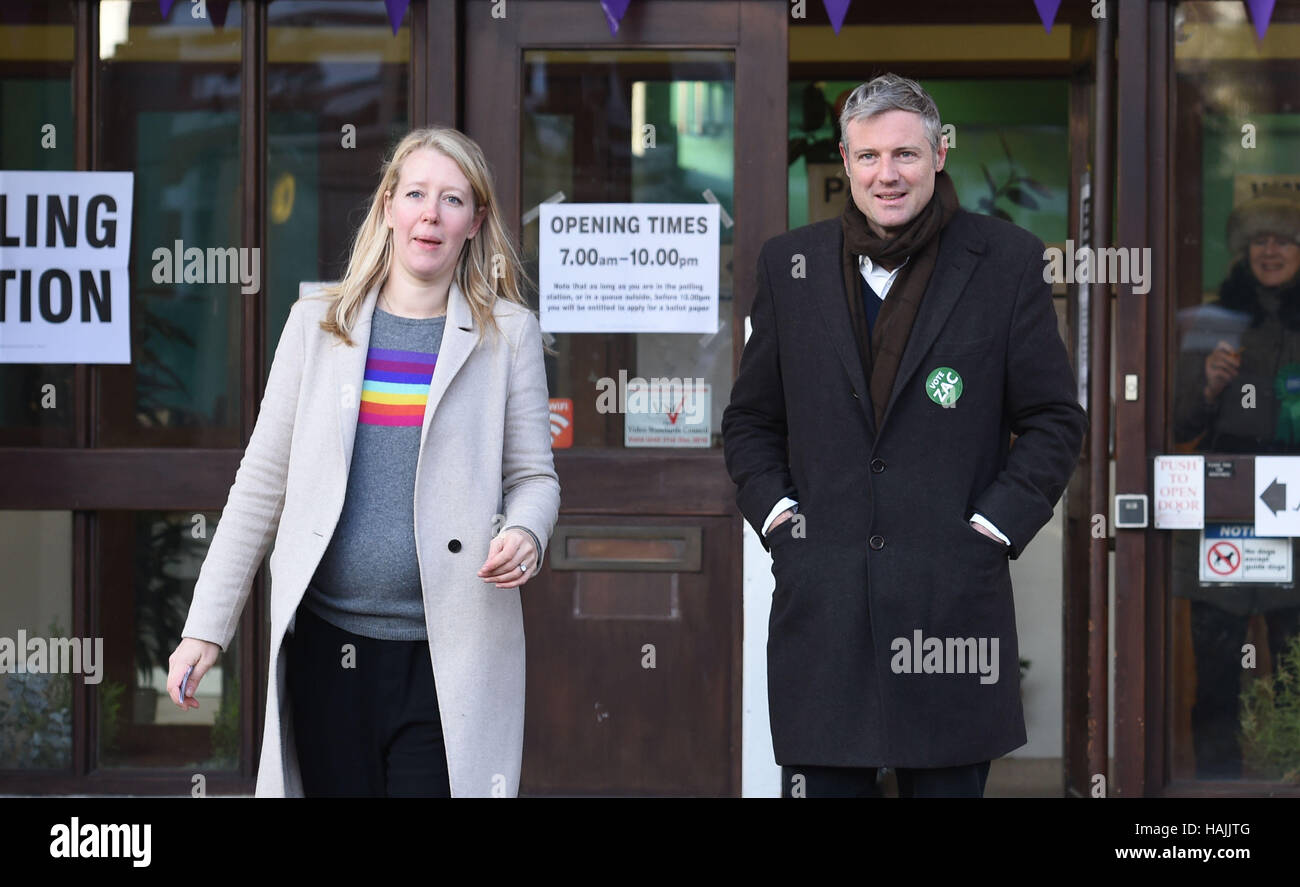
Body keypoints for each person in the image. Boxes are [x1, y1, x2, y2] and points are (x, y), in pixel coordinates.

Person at [721, 73, 1088, 798]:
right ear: (846, 162)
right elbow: (752, 420)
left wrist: (990, 528)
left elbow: (1053, 419)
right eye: (868, 157)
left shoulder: (1007, 261)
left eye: (905, 154)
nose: (886, 174)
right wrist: (779, 521)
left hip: (950, 608)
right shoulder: (788, 266)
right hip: (822, 607)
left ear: (940, 154)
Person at [166, 127, 561, 797]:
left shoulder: (509, 334)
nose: (430, 214)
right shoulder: (318, 323)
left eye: (452, 199)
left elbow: (533, 477)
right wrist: (206, 626)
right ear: (387, 206)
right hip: (329, 650)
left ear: (476, 221)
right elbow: (262, 482)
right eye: (415, 194)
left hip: (449, 656)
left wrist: (526, 531)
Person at [1172, 190, 1300, 779]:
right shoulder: (1207, 322)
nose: (1270, 250)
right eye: (1259, 240)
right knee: (1218, 653)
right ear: (1242, 251)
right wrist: (1206, 387)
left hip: (1294, 498)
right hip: (1224, 495)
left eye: (1284, 239)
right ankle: (1216, 784)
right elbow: (1176, 425)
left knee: (1295, 654)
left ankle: (1289, 774)